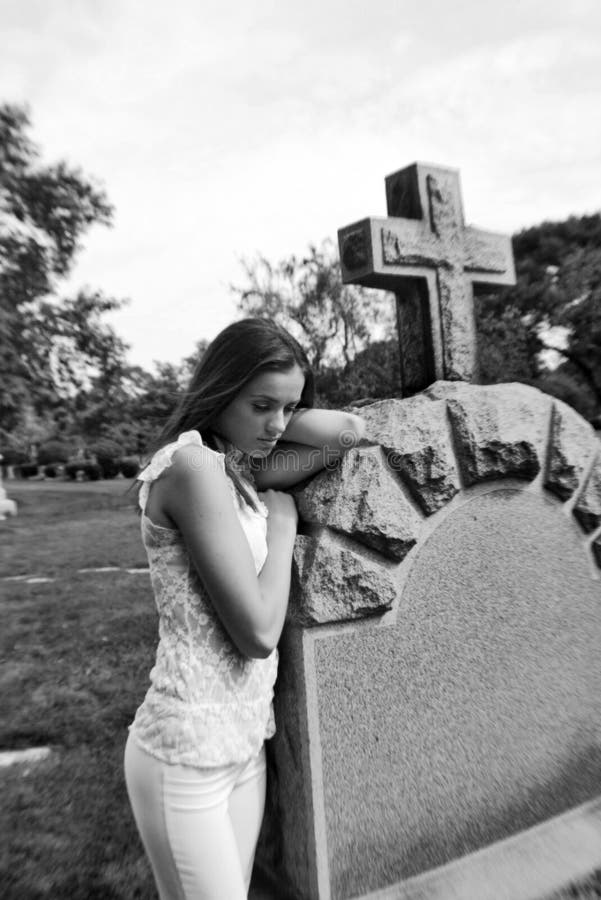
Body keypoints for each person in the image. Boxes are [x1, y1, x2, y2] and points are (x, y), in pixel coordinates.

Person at [124, 317, 365, 899]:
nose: (277, 426)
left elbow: (346, 432)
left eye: (290, 408)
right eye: (261, 405)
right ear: (221, 391)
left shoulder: (238, 468)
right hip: (185, 753)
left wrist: (275, 406)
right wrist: (281, 531)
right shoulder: (192, 467)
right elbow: (257, 632)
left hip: (243, 743)